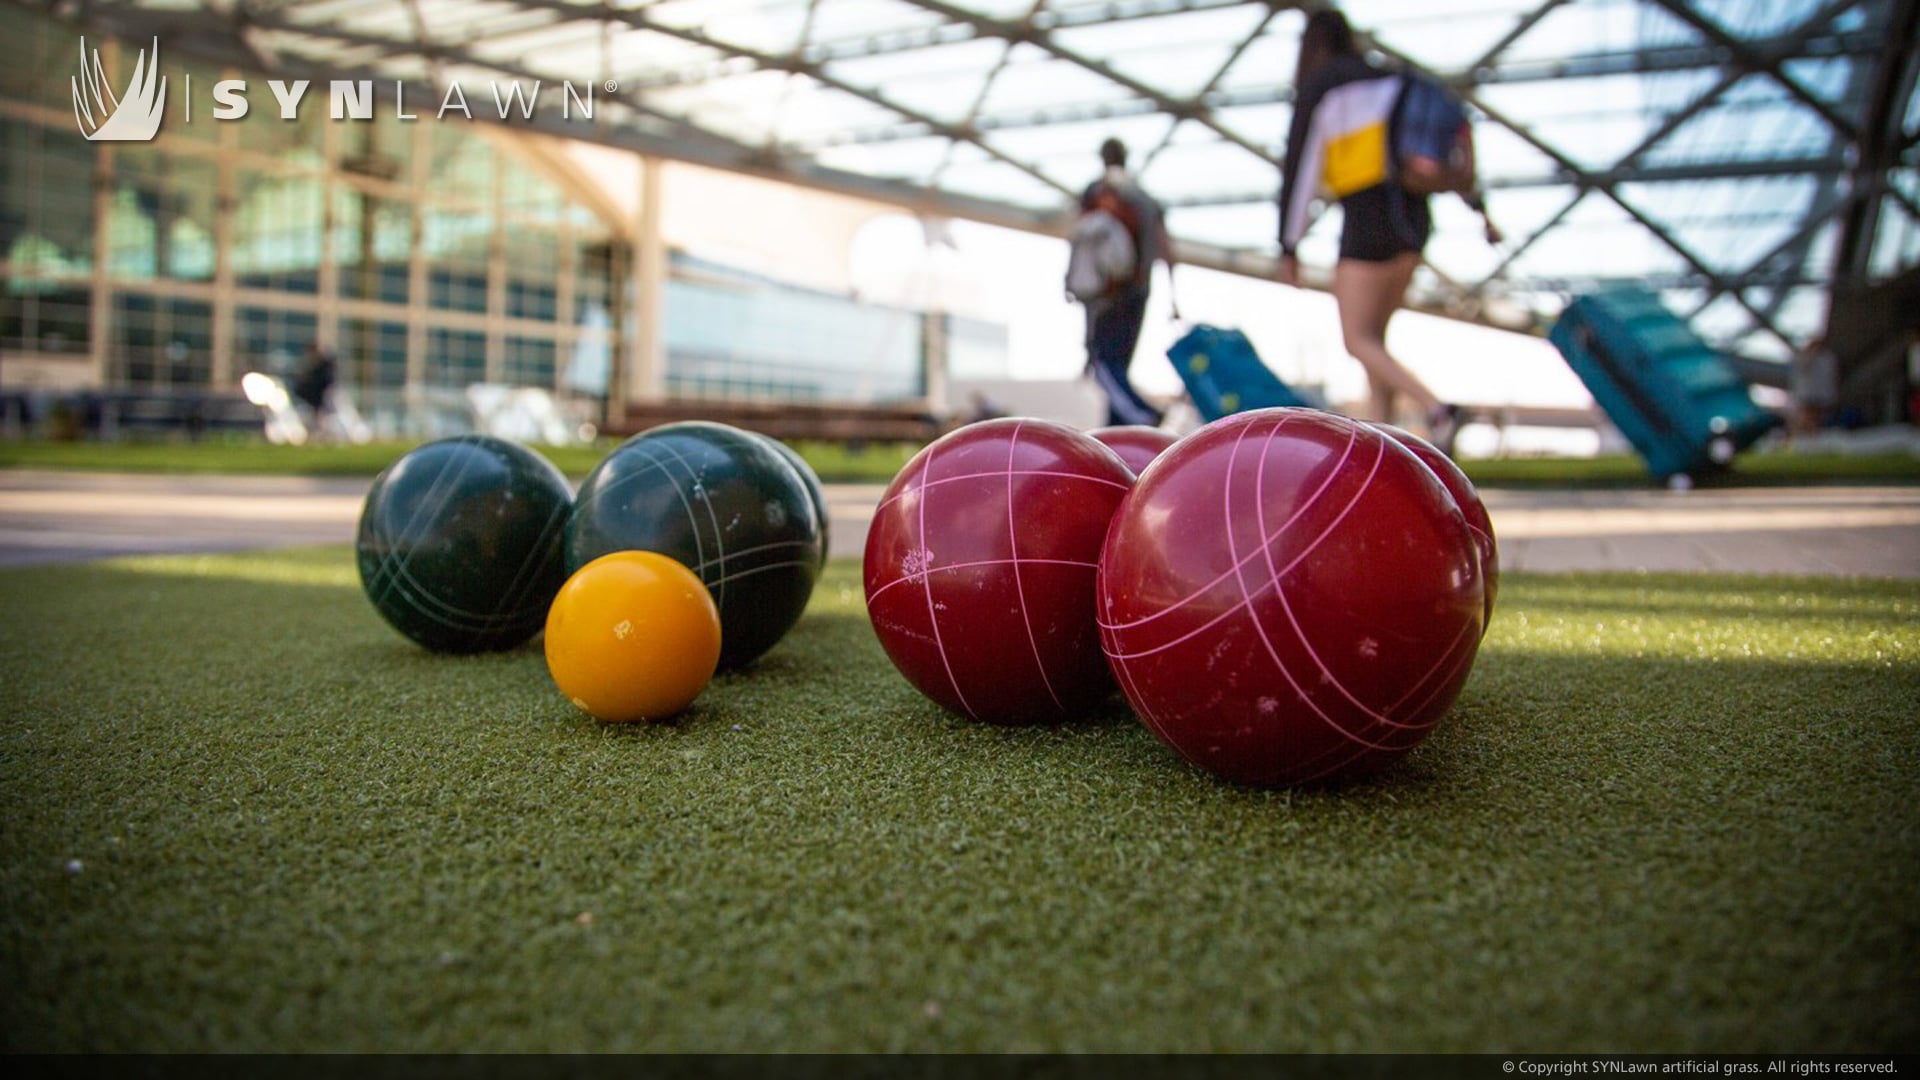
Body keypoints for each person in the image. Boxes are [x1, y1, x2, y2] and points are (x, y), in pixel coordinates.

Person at [1277, 8, 1488, 455]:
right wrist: (1479, 208)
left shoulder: (1324, 86)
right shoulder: (1388, 78)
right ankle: (1382, 448)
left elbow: (1300, 169)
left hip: (1368, 215)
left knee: (1357, 339)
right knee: (1377, 343)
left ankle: (1439, 409)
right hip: (1414, 217)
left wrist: (1288, 243)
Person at [1079, 137, 1177, 428]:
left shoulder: (1095, 193)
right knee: (1119, 364)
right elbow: (1166, 248)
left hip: (1106, 294)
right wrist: (1174, 297)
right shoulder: (1145, 198)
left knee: (1102, 365)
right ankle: (1116, 427)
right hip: (1140, 290)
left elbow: (1085, 244)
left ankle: (1143, 414)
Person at [1788, 334, 1838, 440]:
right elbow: (1802, 368)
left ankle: (1813, 437)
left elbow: (1830, 376)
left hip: (1819, 394)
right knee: (1805, 417)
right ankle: (1799, 437)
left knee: (1816, 418)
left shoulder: (1826, 358)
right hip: (1807, 394)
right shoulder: (1803, 356)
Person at [291, 345, 337, 440]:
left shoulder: (322, 366)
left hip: (322, 396)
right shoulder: (316, 366)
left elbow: (325, 381)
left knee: (323, 417)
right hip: (316, 398)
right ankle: (319, 434)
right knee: (317, 417)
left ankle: (324, 435)